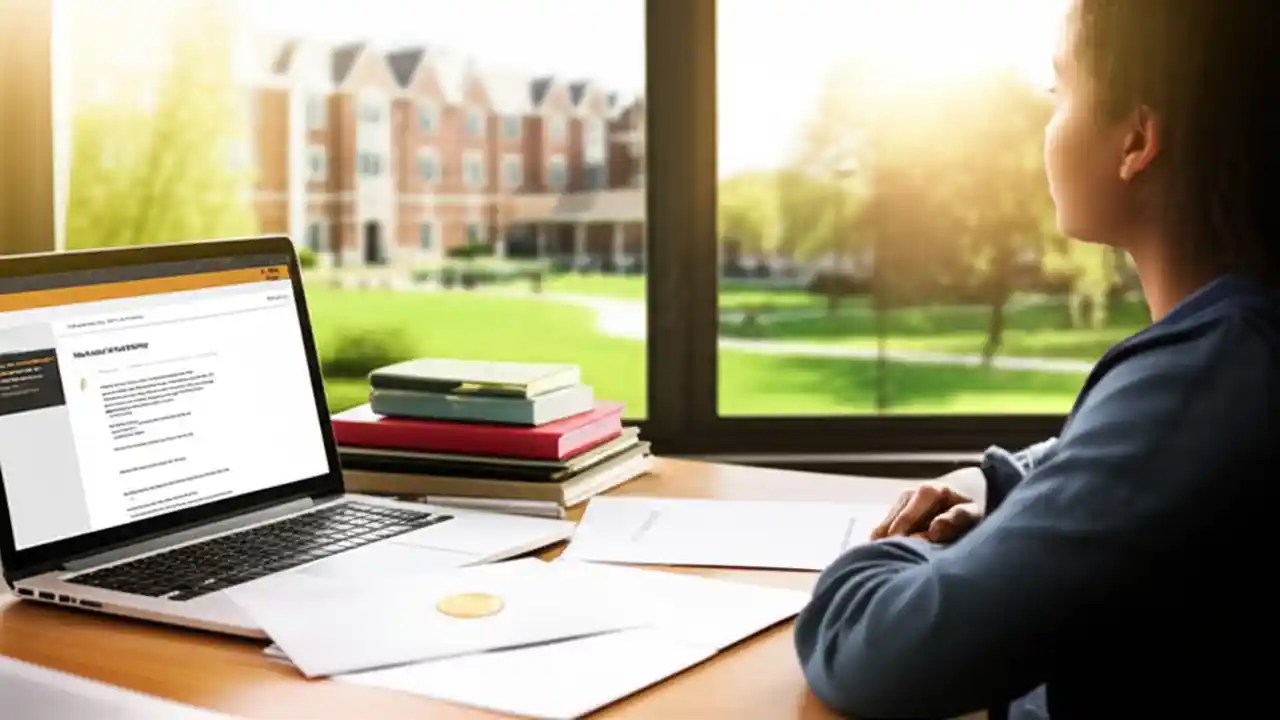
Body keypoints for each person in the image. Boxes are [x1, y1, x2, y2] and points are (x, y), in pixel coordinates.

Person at [794, 1, 1280, 718]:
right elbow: (1119, 461)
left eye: (1060, 94)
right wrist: (1004, 481)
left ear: (1136, 140)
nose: (1044, 126)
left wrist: (916, 556)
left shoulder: (1209, 375)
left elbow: (877, 651)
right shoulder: (1231, 347)